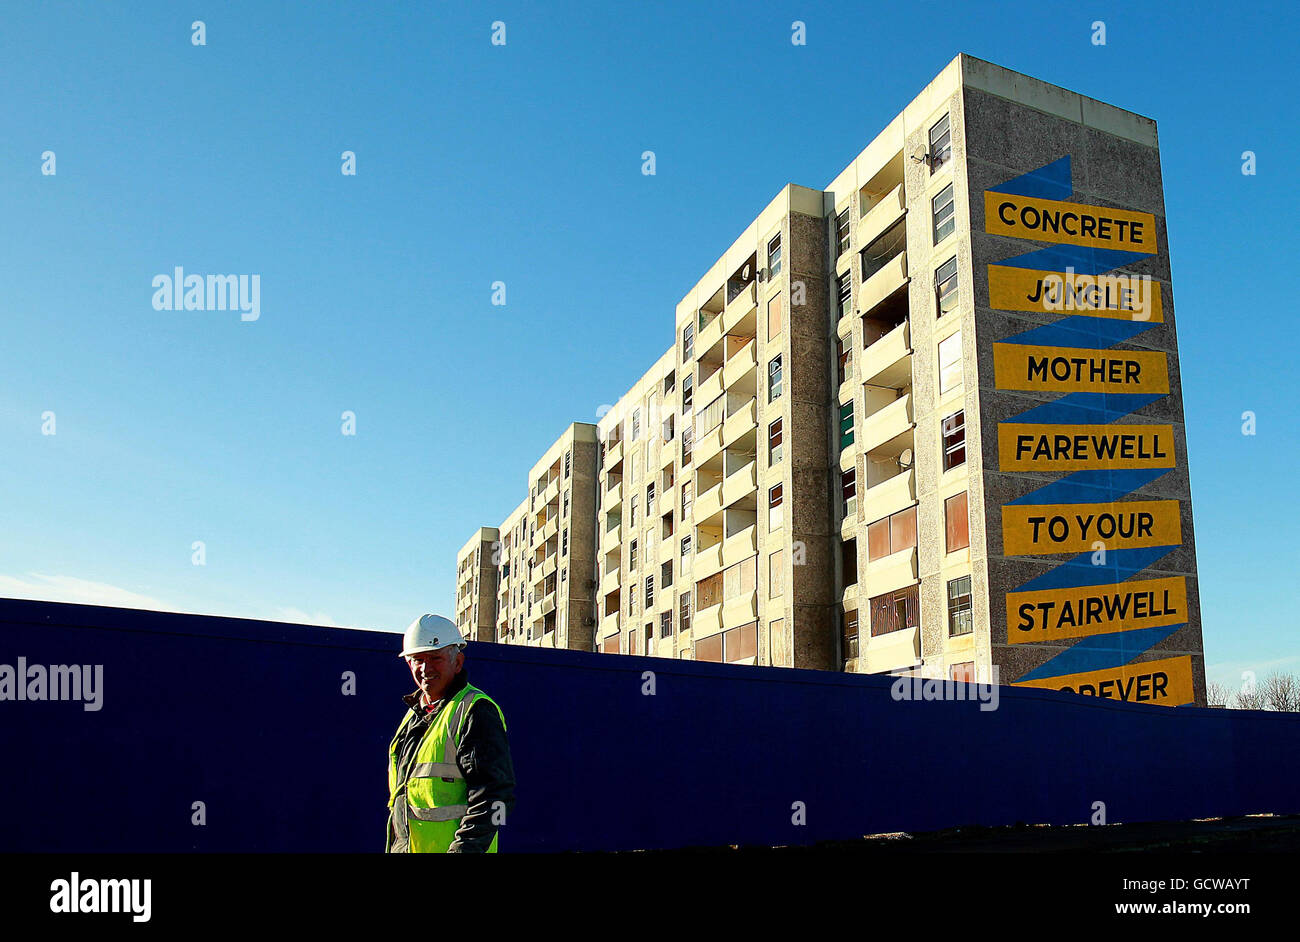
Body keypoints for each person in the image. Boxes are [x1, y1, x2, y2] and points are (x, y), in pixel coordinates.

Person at [385, 613, 516, 853]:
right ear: (408, 663)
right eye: (418, 659)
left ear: (457, 662)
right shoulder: (415, 715)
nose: (426, 668)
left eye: (435, 658)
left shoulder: (475, 711)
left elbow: (494, 797)